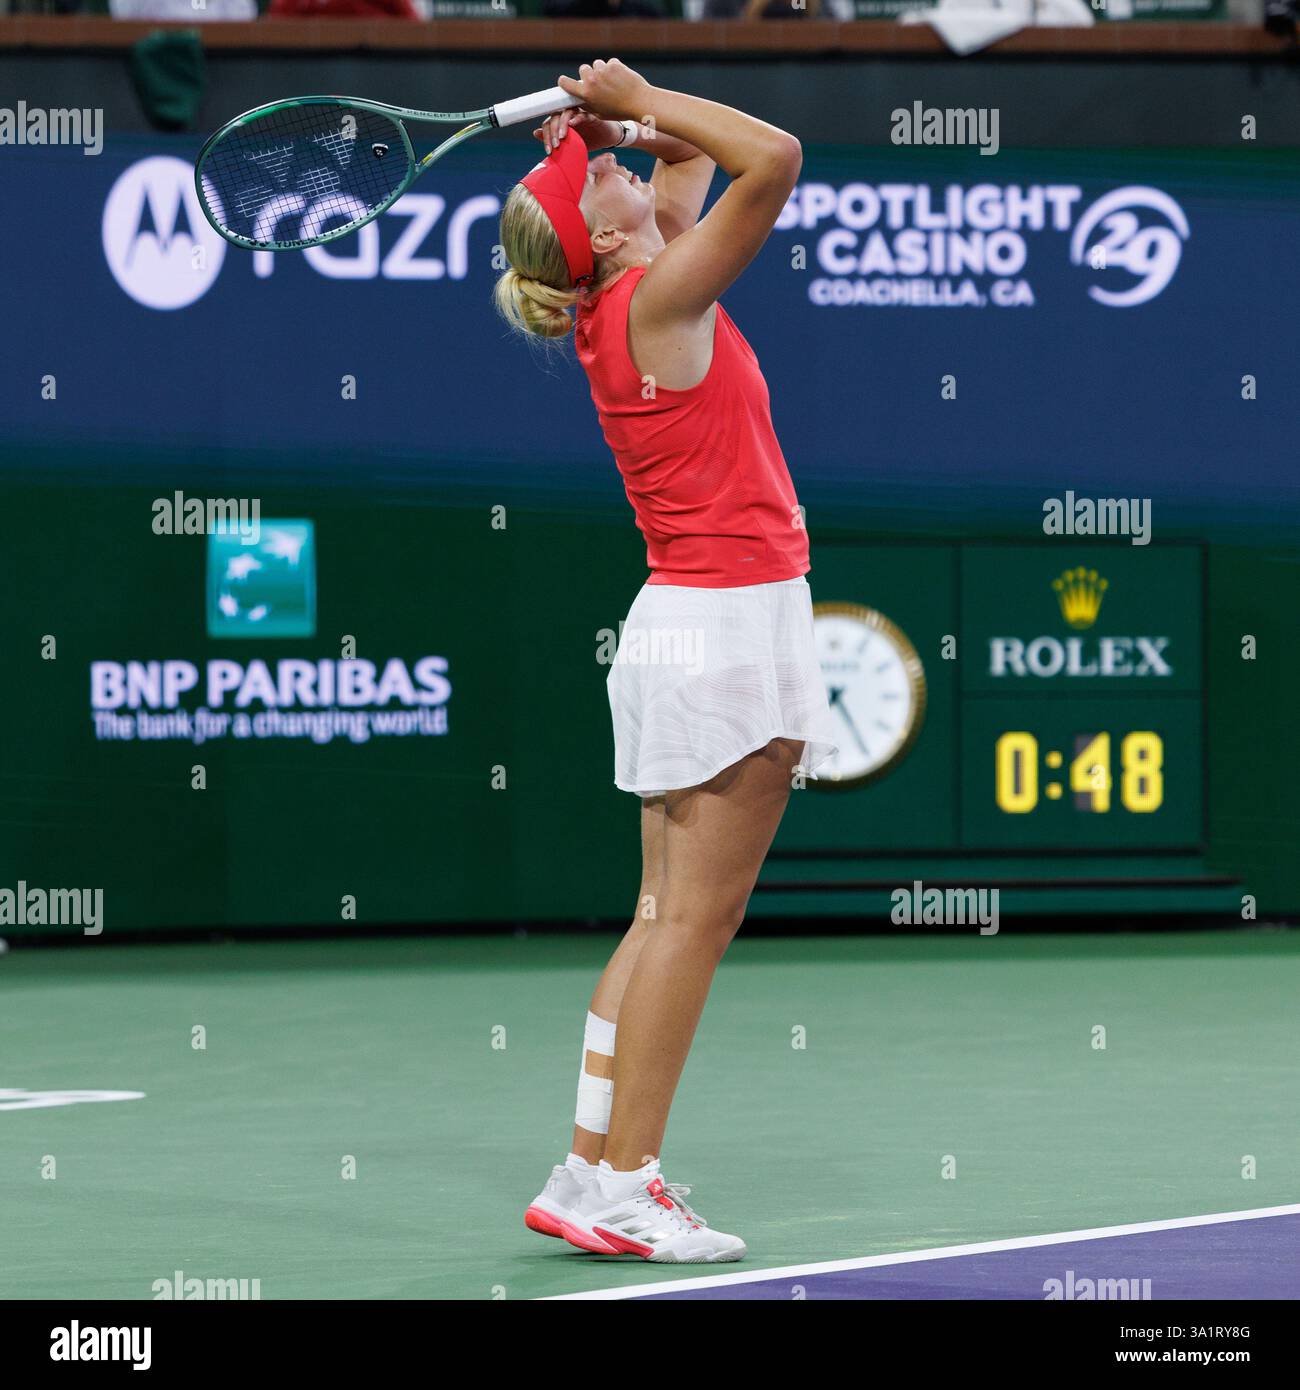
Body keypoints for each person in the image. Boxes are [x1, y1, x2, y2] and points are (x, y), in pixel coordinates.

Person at [495, 58, 837, 1263]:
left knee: (659, 915)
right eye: (606, 173)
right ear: (598, 224)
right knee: (697, 920)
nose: (631, 169)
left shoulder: (632, 291)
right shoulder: (655, 300)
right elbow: (774, 156)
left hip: (681, 627)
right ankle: (627, 1181)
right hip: (728, 627)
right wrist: (639, 97)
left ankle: (585, 1166)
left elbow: (691, 162)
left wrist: (629, 123)